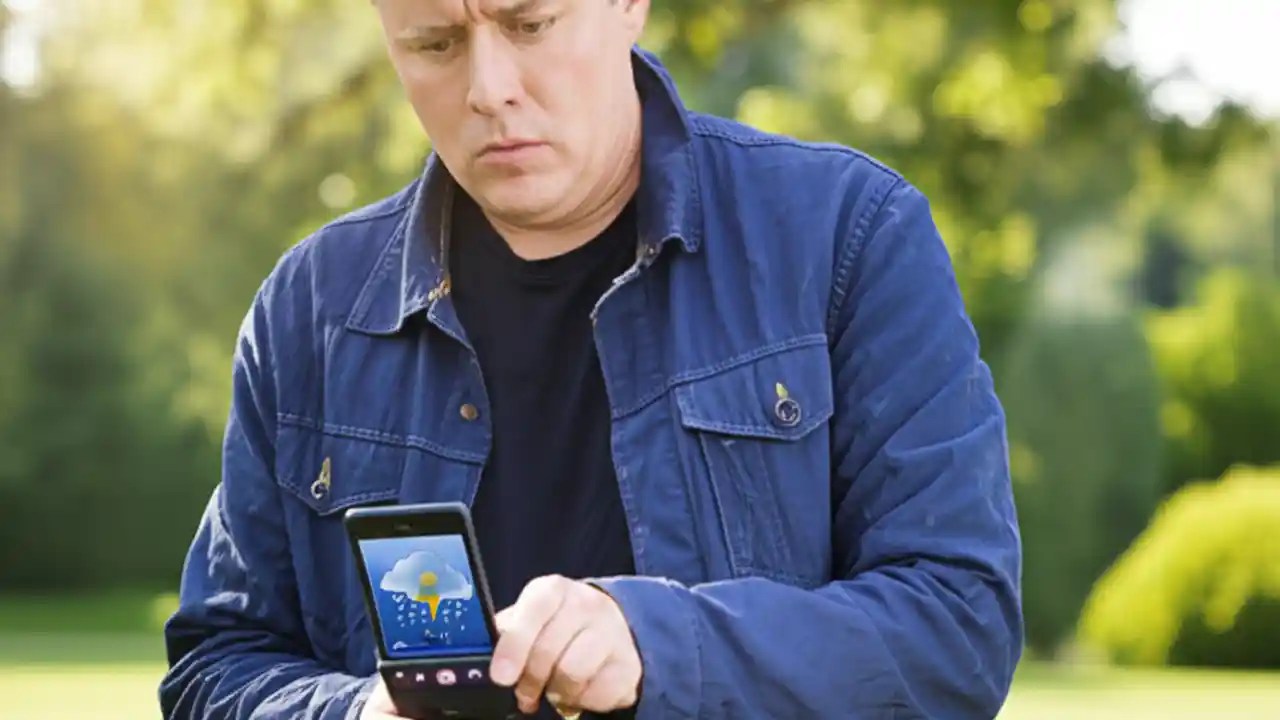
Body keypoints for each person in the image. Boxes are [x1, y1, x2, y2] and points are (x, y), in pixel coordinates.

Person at [159, 0, 1024, 718]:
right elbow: (216, 667)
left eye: (530, 24)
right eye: (435, 44)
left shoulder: (847, 234)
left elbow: (958, 628)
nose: (489, 89)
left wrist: (657, 645)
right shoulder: (309, 307)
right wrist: (356, 713)